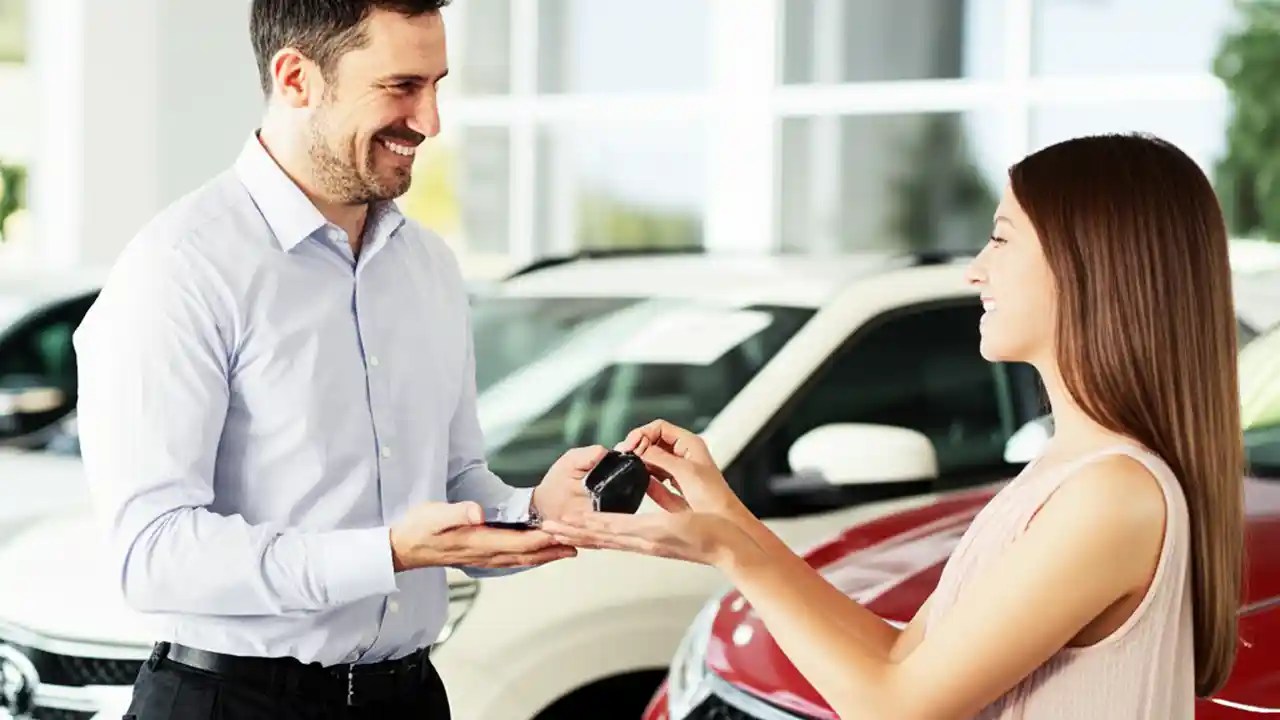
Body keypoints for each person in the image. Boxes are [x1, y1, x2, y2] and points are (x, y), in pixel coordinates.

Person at [545, 133, 1245, 719]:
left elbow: (896, 706)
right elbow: (902, 652)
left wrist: (729, 551)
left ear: (1089, 265)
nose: (976, 270)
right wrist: (724, 513)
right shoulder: (1067, 472)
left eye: (1000, 240)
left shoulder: (1112, 495)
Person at [73, 2, 602, 718]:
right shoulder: (179, 268)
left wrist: (531, 509)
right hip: (233, 704)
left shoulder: (429, 267)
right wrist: (387, 553)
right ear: (297, 78)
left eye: (437, 85)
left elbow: (451, 477)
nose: (431, 122)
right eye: (401, 87)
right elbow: (154, 555)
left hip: (409, 697)